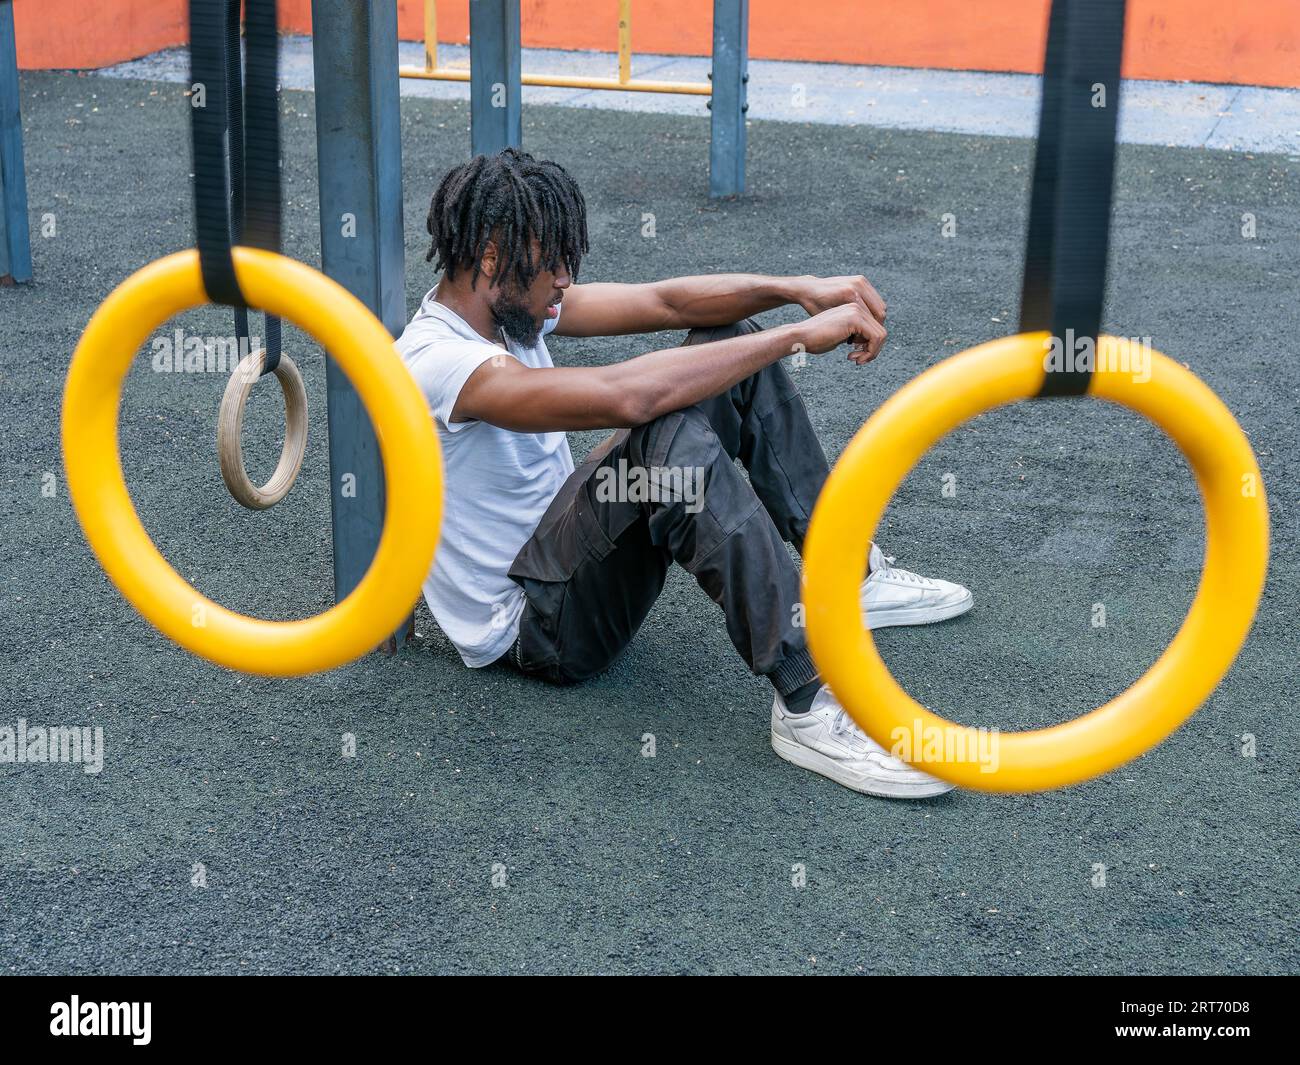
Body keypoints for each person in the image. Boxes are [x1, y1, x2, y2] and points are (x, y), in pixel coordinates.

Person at [397, 149, 974, 800]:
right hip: (538, 626)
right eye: (552, 262)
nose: (564, 279)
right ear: (494, 259)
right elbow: (626, 398)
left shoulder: (510, 306)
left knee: (728, 340)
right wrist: (795, 336)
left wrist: (794, 289)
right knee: (664, 436)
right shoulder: (437, 361)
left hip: (564, 548)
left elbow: (666, 300)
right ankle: (810, 699)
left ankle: (842, 574)